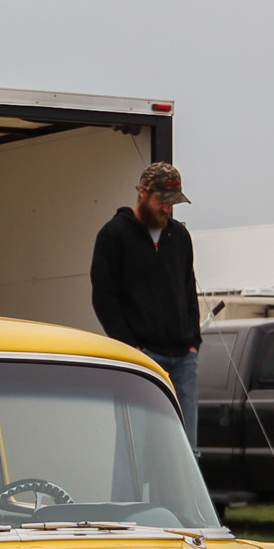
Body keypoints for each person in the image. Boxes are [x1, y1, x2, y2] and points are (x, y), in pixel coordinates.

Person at [90, 162, 201, 445]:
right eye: (162, 201)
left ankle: (178, 492)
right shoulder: (114, 235)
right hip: (143, 354)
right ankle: (127, 492)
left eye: (173, 203)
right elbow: (104, 296)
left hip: (184, 359)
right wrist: (130, 346)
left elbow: (188, 287)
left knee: (184, 445)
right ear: (142, 193)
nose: (167, 209)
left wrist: (193, 341)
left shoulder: (180, 236)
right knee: (135, 445)